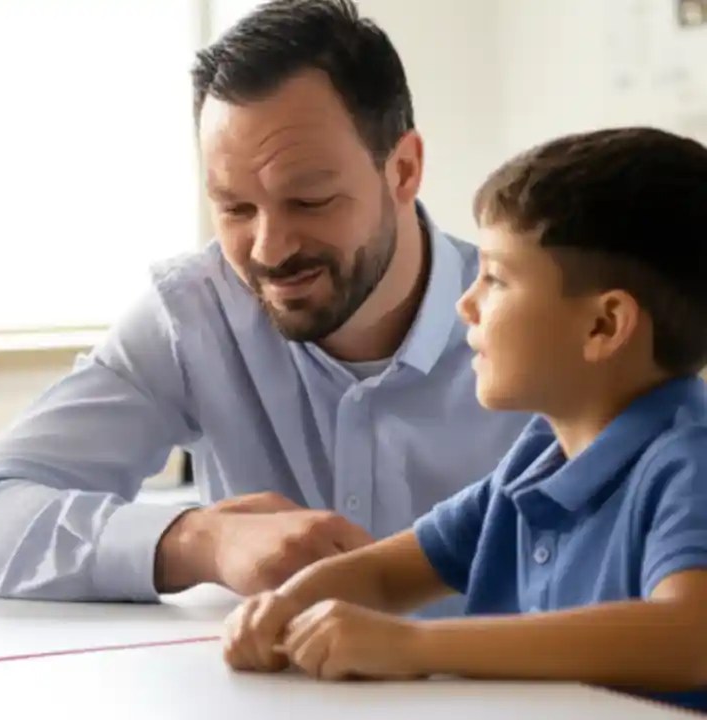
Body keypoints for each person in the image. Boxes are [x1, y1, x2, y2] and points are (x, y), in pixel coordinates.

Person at [0, 0, 529, 604]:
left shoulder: (541, 327)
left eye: (309, 201)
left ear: (402, 170)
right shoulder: (193, 315)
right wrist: (199, 541)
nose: (270, 249)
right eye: (235, 208)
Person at [222, 126, 707, 713]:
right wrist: (285, 607)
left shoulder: (687, 461)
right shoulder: (537, 459)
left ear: (603, 327)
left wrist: (416, 645)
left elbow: (691, 637)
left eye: (495, 278)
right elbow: (384, 575)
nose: (465, 302)